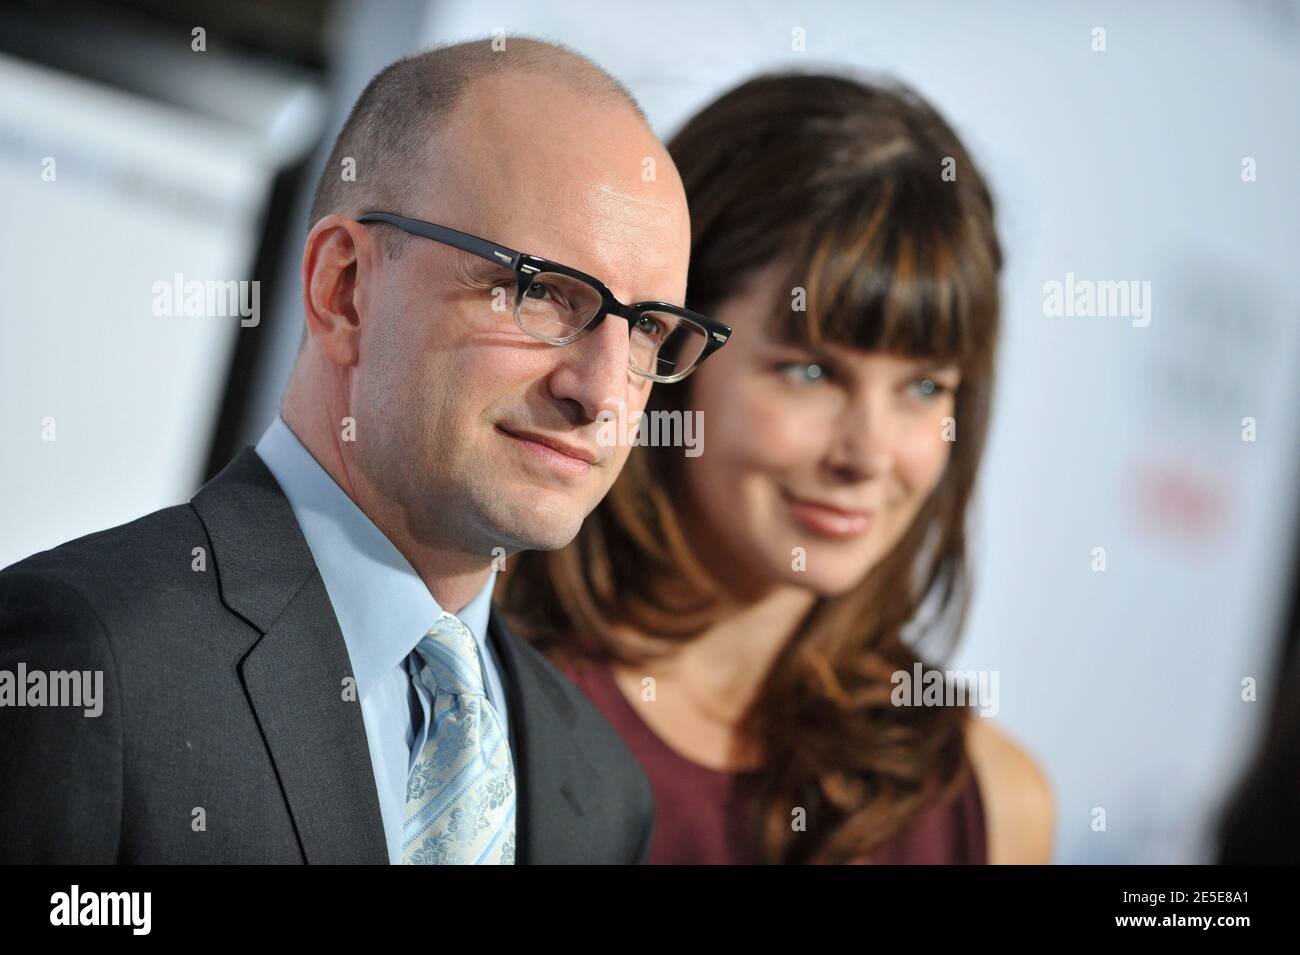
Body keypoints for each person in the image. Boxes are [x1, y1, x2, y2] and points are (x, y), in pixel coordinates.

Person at [0, 37, 728, 864]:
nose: (600, 394)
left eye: (649, 331)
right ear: (343, 290)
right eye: (542, 293)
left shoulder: (596, 783)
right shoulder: (87, 660)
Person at [499, 71, 1054, 864]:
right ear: (666, 342)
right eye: (811, 372)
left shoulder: (993, 805)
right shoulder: (461, 679)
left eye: (924, 387)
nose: (866, 455)